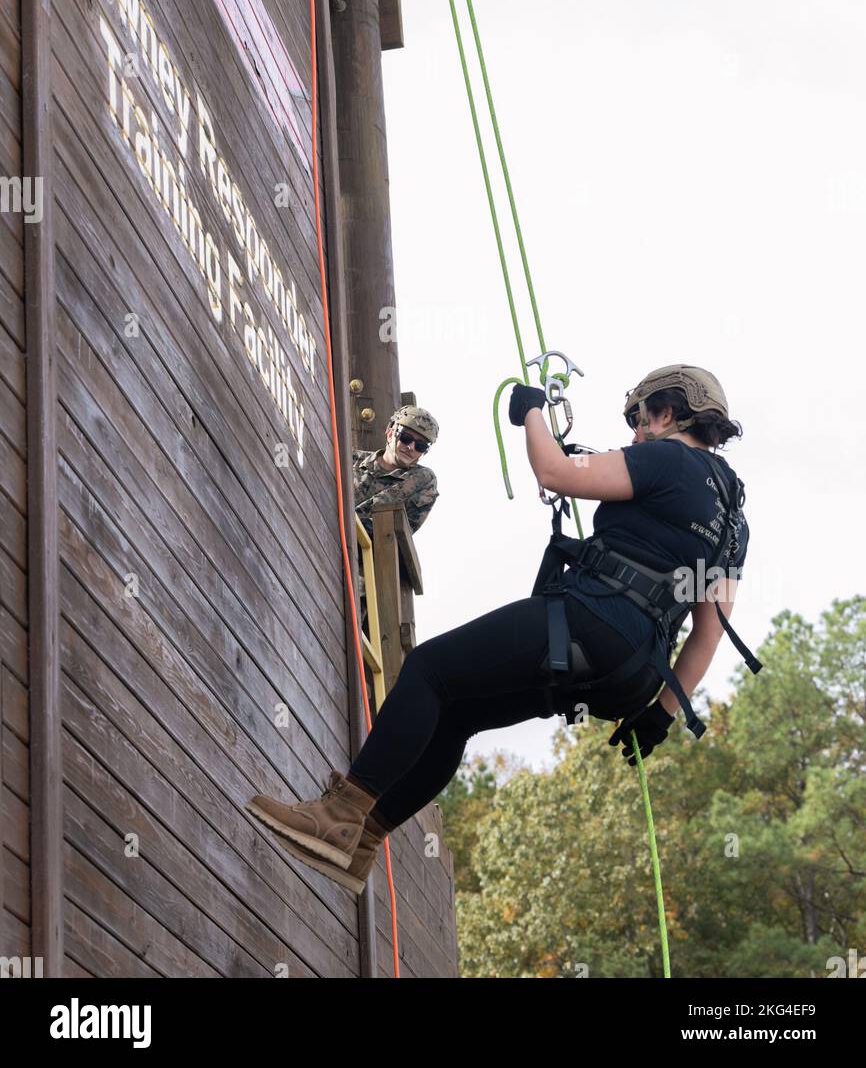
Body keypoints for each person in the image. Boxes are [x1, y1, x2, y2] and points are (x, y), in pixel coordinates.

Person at [246, 365, 754, 895]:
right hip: (632, 676)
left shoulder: (666, 459)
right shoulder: (735, 520)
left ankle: (339, 816)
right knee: (456, 713)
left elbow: (556, 472)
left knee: (427, 671)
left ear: (668, 413)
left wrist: (531, 409)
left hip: (590, 623)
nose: (634, 433)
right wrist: (659, 717)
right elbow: (709, 631)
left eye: (639, 420)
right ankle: (362, 842)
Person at [352, 405, 440, 541]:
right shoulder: (352, 459)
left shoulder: (422, 480)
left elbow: (398, 532)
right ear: (390, 433)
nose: (411, 447)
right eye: (406, 438)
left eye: (420, 446)